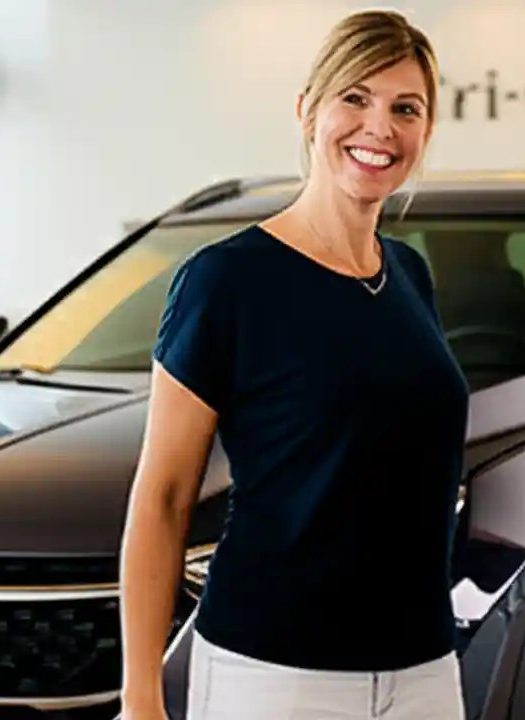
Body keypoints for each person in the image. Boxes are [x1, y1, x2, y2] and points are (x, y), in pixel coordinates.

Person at [118, 10, 469, 720]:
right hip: (273, 675)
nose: (380, 127)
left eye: (406, 108)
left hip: (425, 672)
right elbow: (161, 500)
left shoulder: (407, 272)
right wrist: (142, 695)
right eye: (355, 98)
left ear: (426, 132)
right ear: (308, 110)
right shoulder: (227, 281)